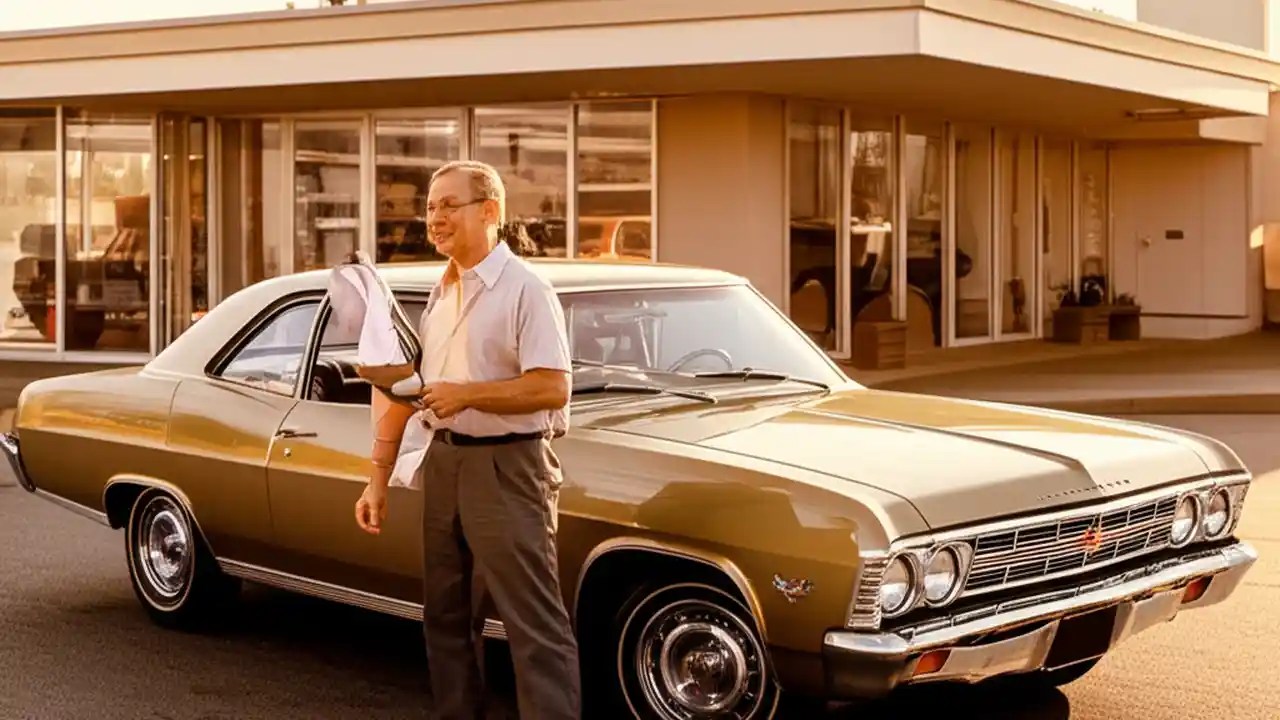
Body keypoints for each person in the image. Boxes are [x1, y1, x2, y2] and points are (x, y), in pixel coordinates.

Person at [354, 160, 581, 719]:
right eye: (430, 207)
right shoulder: (439, 291)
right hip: (445, 463)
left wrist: (468, 395)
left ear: (490, 212)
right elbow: (412, 393)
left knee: (534, 624)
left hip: (509, 468)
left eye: (447, 206)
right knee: (446, 618)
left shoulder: (526, 290)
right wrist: (377, 479)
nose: (434, 218)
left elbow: (553, 387)